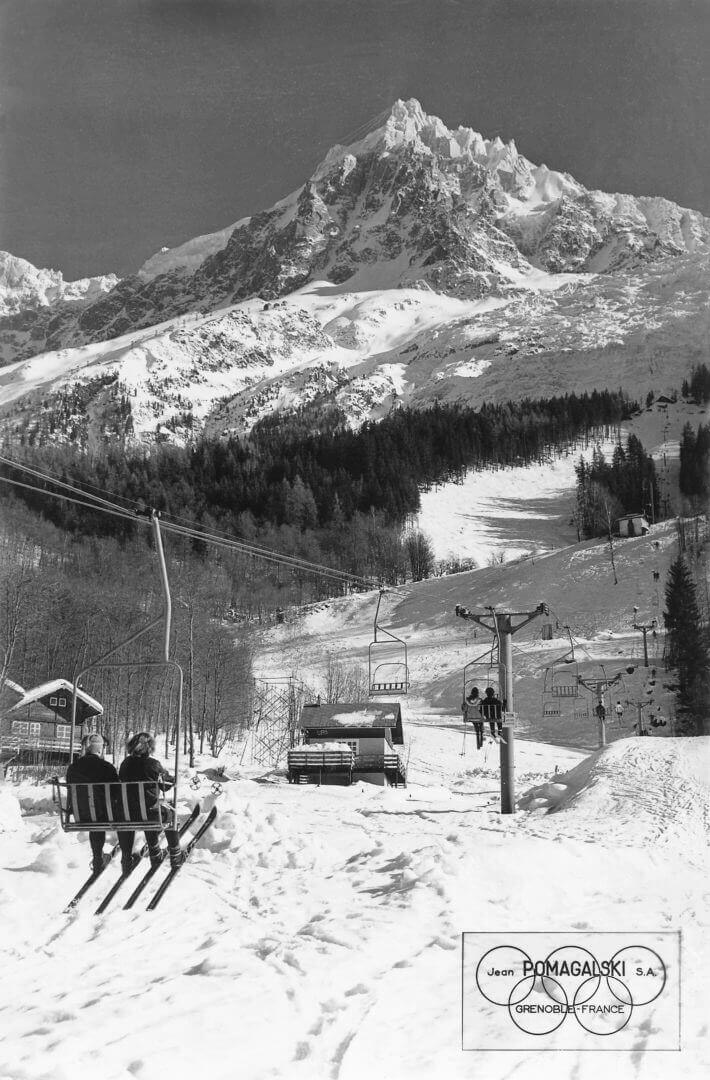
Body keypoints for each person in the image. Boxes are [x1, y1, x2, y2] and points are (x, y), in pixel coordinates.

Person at [117, 732, 184, 873]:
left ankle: (129, 859)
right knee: (168, 813)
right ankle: (175, 856)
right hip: (150, 814)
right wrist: (173, 779)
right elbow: (166, 785)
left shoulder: (125, 764)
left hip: (127, 814)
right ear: (149, 748)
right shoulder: (153, 765)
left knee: (147, 810)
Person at [66, 733, 119, 875]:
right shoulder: (106, 767)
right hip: (104, 814)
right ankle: (126, 855)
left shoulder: (73, 768)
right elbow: (116, 791)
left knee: (94, 814)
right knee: (101, 813)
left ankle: (97, 857)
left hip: (81, 814)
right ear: (99, 749)